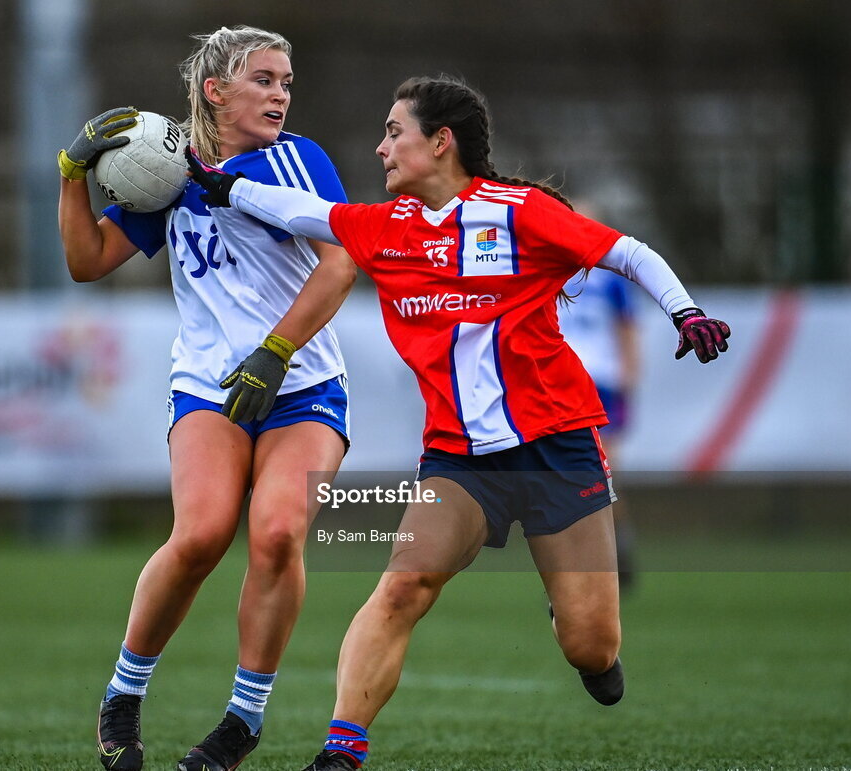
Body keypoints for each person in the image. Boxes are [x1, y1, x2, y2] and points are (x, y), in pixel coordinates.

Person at [188, 75, 730, 770]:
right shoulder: (385, 229)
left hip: (557, 447)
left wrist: (685, 311)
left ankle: (580, 630)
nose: (381, 147)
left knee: (591, 645)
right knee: (401, 587)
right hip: (459, 460)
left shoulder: (520, 212)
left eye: (394, 132)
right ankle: (340, 752)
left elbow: (627, 252)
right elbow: (298, 210)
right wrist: (222, 183)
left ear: (440, 141)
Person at [57, 25, 357, 771]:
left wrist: (275, 352)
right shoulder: (167, 171)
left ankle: (242, 720)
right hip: (206, 386)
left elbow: (341, 264)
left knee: (277, 533)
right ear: (215, 91)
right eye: (264, 80)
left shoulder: (298, 159)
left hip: (302, 383)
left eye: (286, 82)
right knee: (199, 536)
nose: (281, 95)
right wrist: (71, 174)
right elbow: (87, 261)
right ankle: (122, 696)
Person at [559, 264, 641, 589]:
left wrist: (628, 377)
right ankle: (578, 564)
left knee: (605, 473)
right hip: (558, 381)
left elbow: (627, 327)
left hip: (602, 382)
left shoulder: (610, 277)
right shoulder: (545, 267)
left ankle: (618, 548)